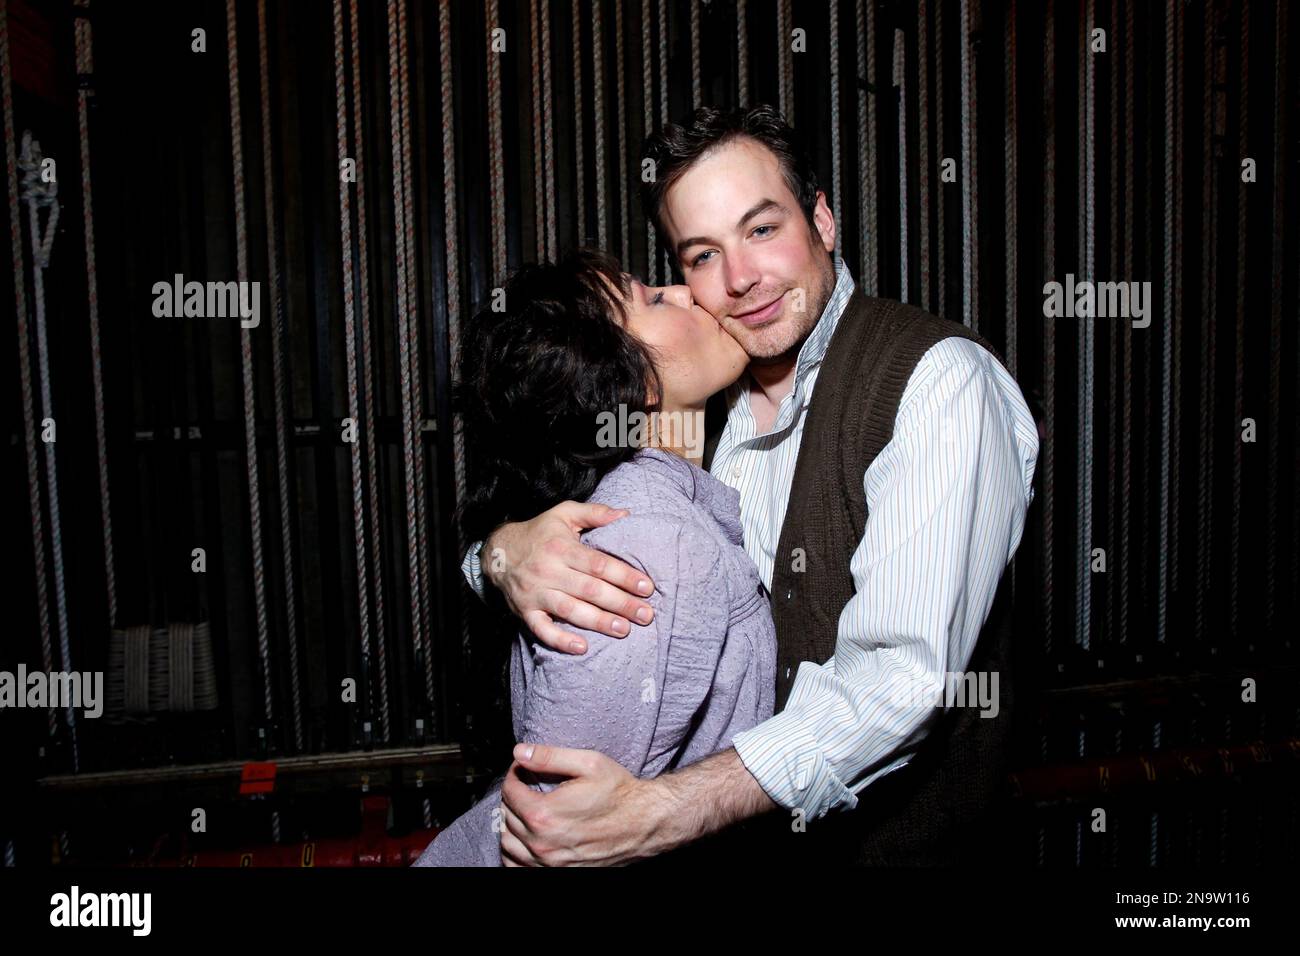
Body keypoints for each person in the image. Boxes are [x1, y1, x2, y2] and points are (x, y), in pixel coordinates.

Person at [469, 105, 1041, 866]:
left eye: (762, 229)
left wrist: (664, 812)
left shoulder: (936, 381)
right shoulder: (693, 404)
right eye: (703, 255)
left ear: (823, 220)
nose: (739, 279)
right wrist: (508, 553)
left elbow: (900, 680)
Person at [412, 248, 776, 866]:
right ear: (628, 381)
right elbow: (548, 827)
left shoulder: (664, 500)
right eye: (652, 299)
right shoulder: (650, 547)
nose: (687, 291)